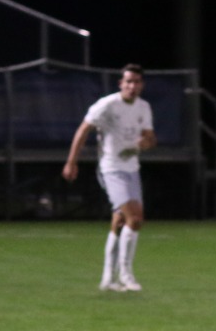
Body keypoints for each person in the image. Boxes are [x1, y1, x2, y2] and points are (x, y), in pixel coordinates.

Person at [62, 64, 157, 290]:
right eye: (128, 82)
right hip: (111, 169)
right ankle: (125, 274)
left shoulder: (144, 107)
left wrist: (144, 144)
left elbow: (150, 138)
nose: (132, 86)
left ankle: (107, 278)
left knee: (121, 220)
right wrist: (71, 161)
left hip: (132, 168)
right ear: (121, 84)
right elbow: (83, 129)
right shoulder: (107, 104)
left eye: (136, 82)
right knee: (135, 218)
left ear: (141, 85)